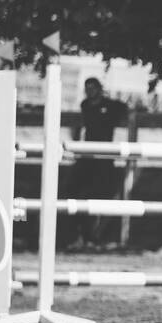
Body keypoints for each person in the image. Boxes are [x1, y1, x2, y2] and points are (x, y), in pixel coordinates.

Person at [70, 77, 128, 247]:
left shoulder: (111, 105)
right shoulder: (85, 105)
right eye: (86, 88)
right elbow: (80, 124)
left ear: (99, 89)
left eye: (92, 88)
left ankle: (97, 235)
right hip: (88, 155)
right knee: (79, 192)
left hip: (104, 156)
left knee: (103, 193)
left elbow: (127, 112)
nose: (89, 91)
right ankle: (83, 235)